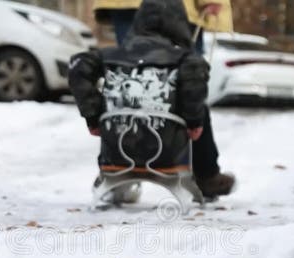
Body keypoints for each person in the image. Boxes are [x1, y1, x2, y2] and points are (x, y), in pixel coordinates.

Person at [68, 0, 211, 204]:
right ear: (178, 24)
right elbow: (195, 80)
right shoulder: (185, 60)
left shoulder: (111, 56)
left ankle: (115, 185)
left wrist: (94, 115)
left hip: (116, 152)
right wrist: (194, 122)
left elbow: (77, 66)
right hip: (167, 154)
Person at [91, 0, 235, 198]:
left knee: (129, 82)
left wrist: (92, 115)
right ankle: (205, 174)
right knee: (188, 83)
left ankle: (117, 170)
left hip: (129, 4)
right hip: (175, 7)